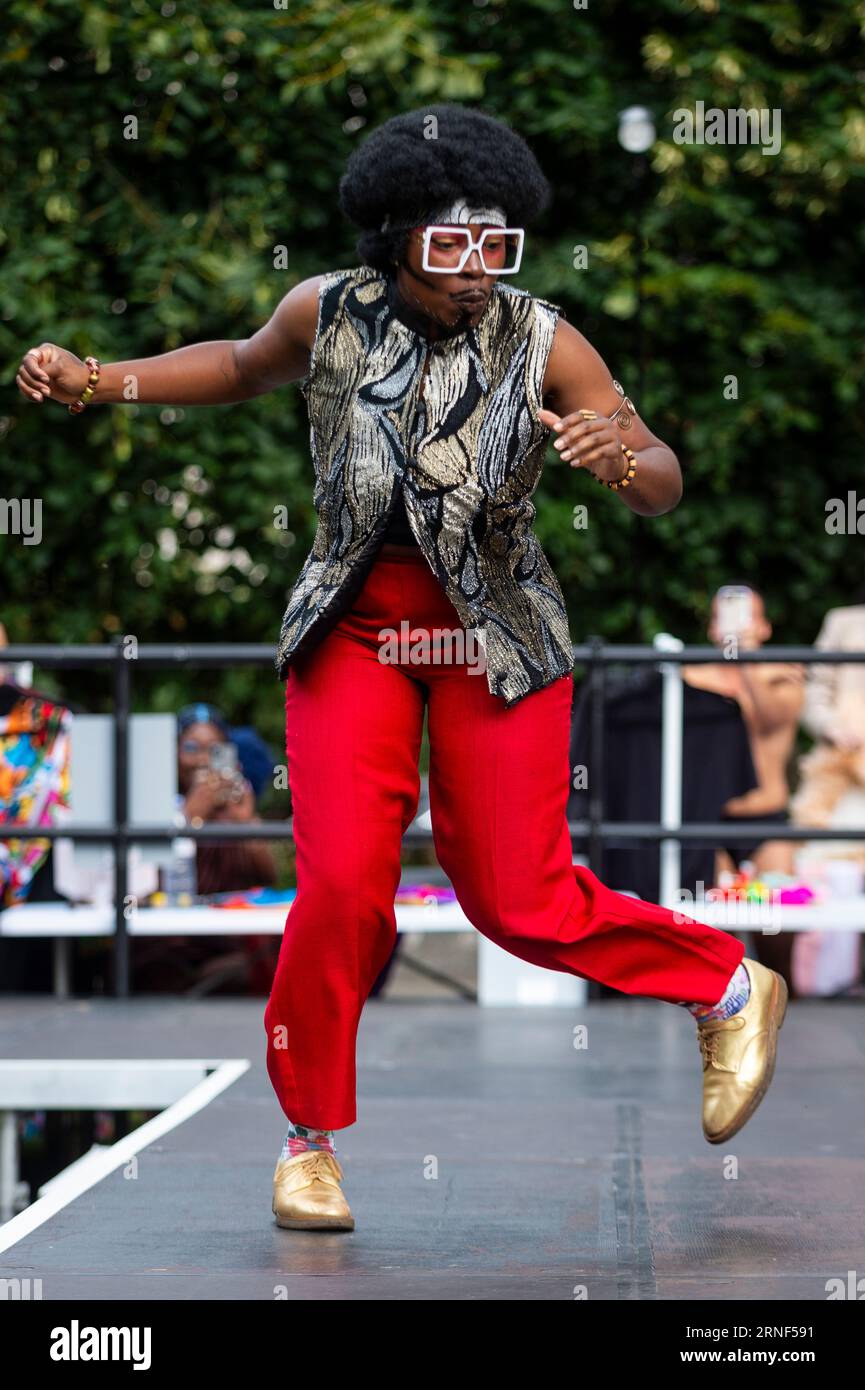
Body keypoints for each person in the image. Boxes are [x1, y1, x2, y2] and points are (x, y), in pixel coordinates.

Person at [15, 104, 789, 1234]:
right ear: (393, 240)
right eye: (449, 249)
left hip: (494, 633)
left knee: (516, 898)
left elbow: (662, 474)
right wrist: (99, 378)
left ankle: (725, 984)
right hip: (356, 630)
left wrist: (620, 457)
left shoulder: (544, 338)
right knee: (339, 887)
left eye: (496, 247)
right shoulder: (323, 311)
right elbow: (234, 366)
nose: (477, 272)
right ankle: (309, 1142)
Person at [681, 584, 806, 878]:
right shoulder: (689, 680)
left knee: (779, 908)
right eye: (726, 617)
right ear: (713, 627)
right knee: (705, 912)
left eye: (746, 617)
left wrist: (747, 660)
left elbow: (771, 718)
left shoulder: (783, 678)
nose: (736, 625)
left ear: (764, 628)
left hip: (765, 818)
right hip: (706, 817)